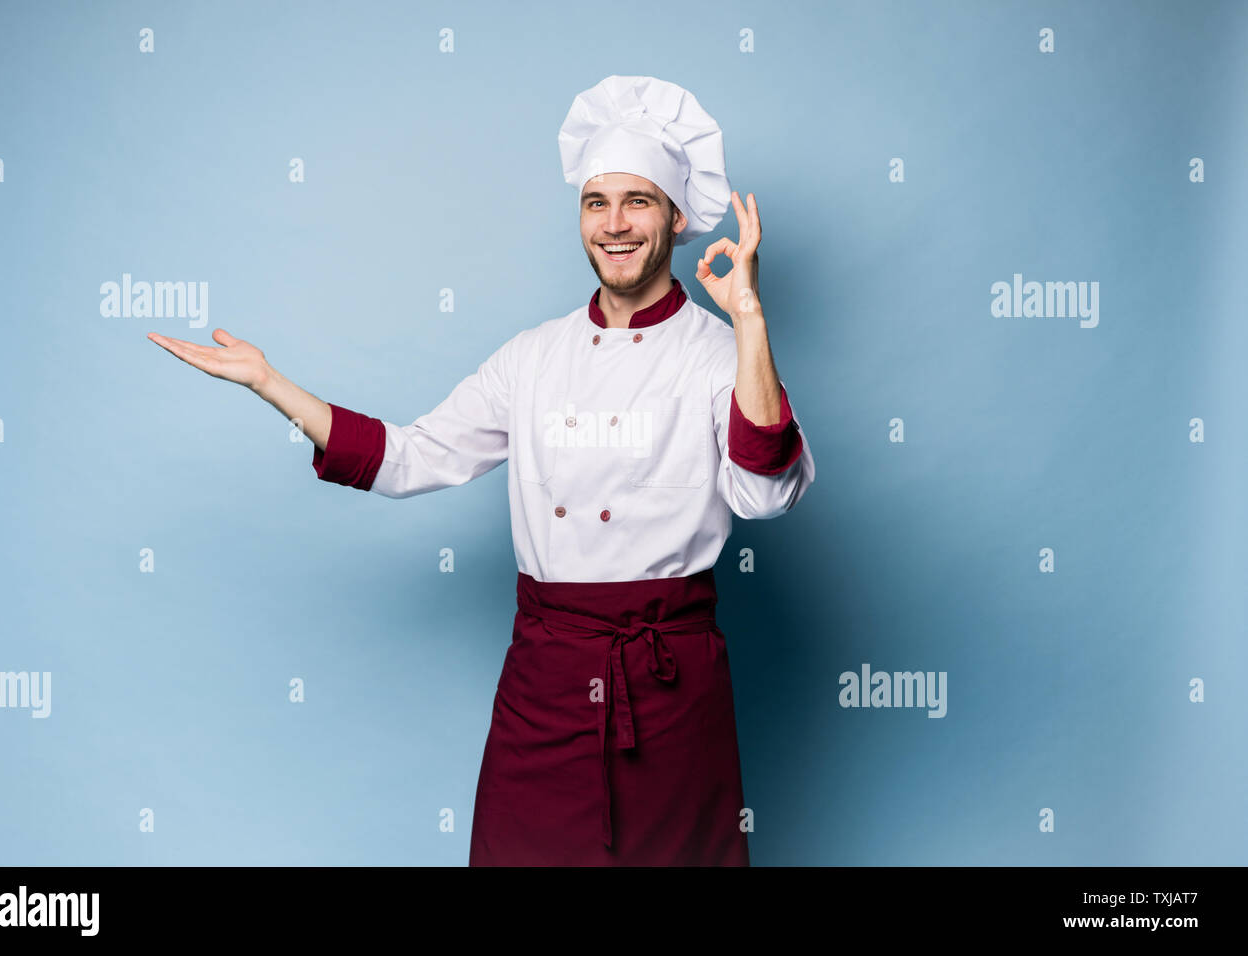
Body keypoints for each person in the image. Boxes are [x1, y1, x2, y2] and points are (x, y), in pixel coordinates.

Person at [148, 74, 816, 866]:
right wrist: (271, 383)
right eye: (595, 203)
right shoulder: (532, 357)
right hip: (548, 677)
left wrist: (748, 321)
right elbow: (409, 456)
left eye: (637, 201)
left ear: (675, 216)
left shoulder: (719, 354)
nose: (614, 224)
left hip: (671, 687)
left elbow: (767, 493)